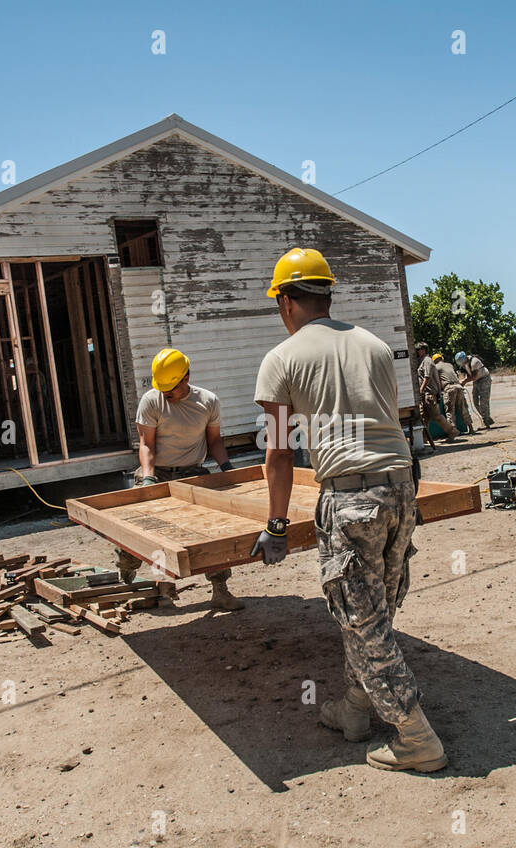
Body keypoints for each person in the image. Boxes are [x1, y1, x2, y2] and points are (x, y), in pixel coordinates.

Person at [251, 247, 447, 773]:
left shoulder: (283, 358)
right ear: (327, 294)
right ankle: (356, 708)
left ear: (287, 301)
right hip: (402, 489)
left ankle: (416, 736)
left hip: (350, 498)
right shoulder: (376, 346)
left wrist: (274, 525)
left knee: (366, 621)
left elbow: (277, 450)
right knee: (368, 610)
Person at [119, 347, 244, 611]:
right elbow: (147, 445)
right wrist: (149, 479)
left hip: (192, 472)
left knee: (214, 530)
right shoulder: (151, 401)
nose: (166, 395)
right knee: (142, 528)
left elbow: (214, 441)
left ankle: (220, 590)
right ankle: (131, 575)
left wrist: (228, 469)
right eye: (163, 390)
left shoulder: (208, 402)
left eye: (171, 390)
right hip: (158, 471)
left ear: (185, 378)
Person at [414, 342, 458, 446]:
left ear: (423, 350)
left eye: (418, 349)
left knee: (436, 416)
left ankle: (452, 431)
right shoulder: (421, 361)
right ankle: (425, 438)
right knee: (423, 418)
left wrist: (420, 390)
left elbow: (427, 377)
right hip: (425, 394)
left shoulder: (427, 361)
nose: (416, 351)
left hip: (429, 394)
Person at [433, 352, 474, 434]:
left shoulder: (436, 368)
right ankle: (471, 428)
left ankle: (453, 431)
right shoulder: (449, 365)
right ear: (442, 358)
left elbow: (437, 381)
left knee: (450, 410)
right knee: (463, 408)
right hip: (458, 386)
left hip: (449, 388)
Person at [455, 351, 494, 428]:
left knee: (483, 401)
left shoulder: (474, 362)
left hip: (484, 379)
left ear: (465, 358)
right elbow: (468, 375)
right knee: (475, 401)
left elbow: (473, 376)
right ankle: (486, 418)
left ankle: (486, 421)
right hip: (476, 380)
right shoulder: (464, 364)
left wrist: (464, 382)